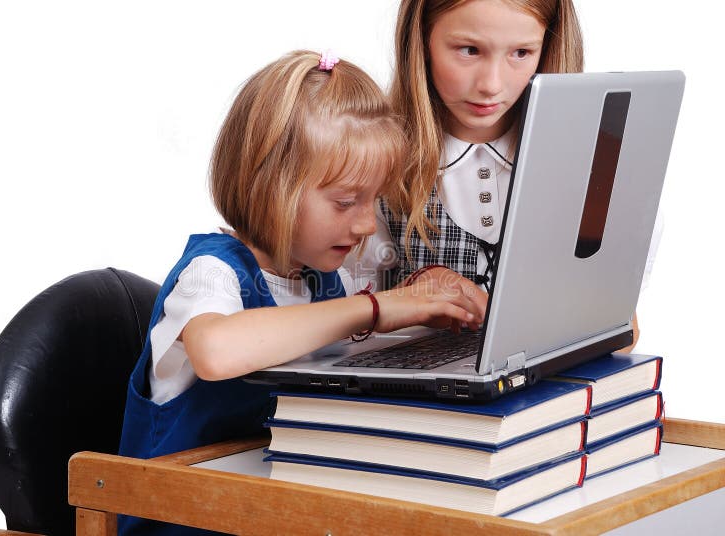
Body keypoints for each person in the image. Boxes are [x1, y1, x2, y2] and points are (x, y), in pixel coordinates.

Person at [118, 50, 486, 535]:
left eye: (374, 200)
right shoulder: (212, 273)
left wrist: (421, 305)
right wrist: (374, 308)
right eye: (345, 201)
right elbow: (216, 350)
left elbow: (345, 337)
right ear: (270, 186)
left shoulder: (321, 281)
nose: (366, 223)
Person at [348, 0, 651, 351]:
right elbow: (347, 328)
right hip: (423, 382)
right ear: (421, 40)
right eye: (469, 50)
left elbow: (622, 335)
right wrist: (415, 292)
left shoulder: (590, 165)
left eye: (521, 53)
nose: (491, 85)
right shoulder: (379, 161)